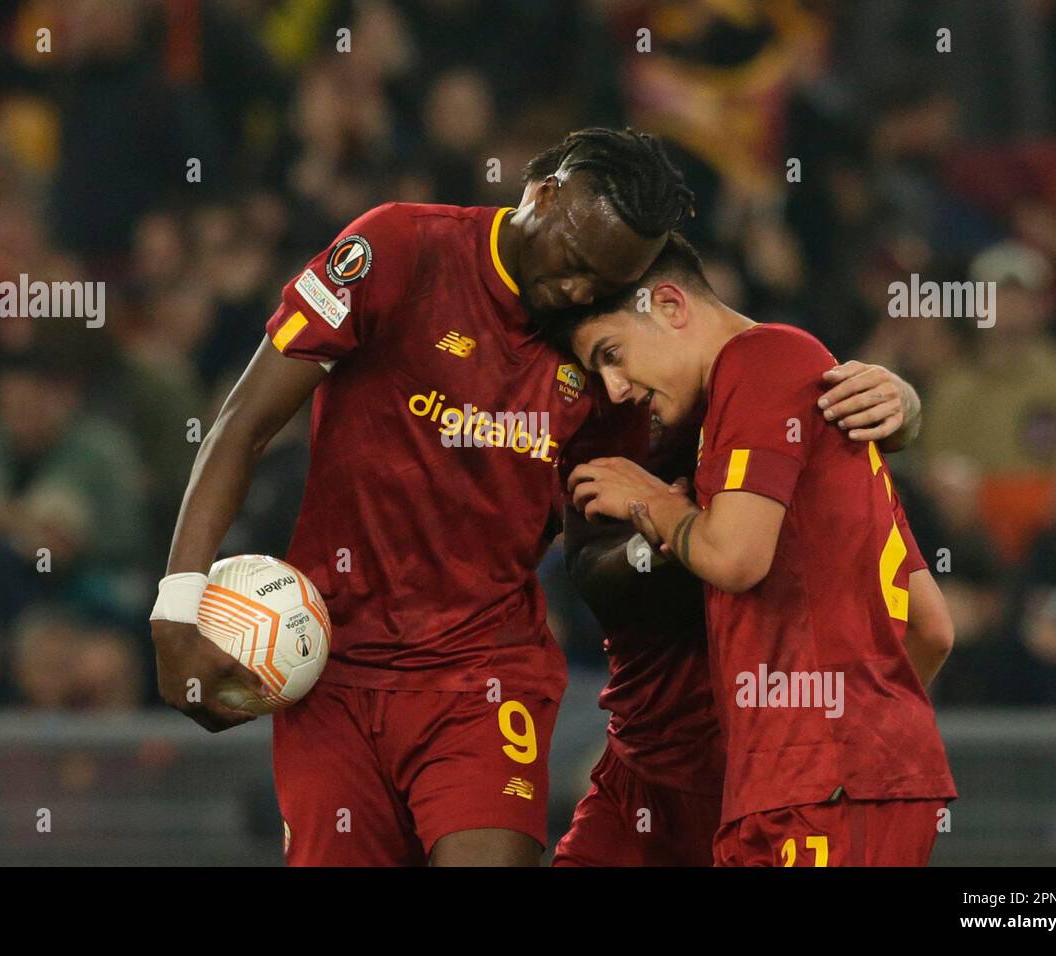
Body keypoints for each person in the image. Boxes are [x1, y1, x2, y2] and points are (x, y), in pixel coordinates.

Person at [151, 128, 696, 867]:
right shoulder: (400, 249)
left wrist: (656, 545)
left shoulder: (603, 350)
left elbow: (595, 528)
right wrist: (177, 604)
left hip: (484, 674)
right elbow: (243, 424)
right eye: (573, 262)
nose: (578, 292)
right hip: (332, 672)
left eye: (603, 284)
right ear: (544, 191)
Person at [560, 234, 956, 866]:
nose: (613, 388)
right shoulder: (795, 413)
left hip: (806, 780)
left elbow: (736, 558)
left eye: (613, 354)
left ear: (669, 305)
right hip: (771, 779)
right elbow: (929, 628)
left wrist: (654, 506)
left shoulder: (762, 359)